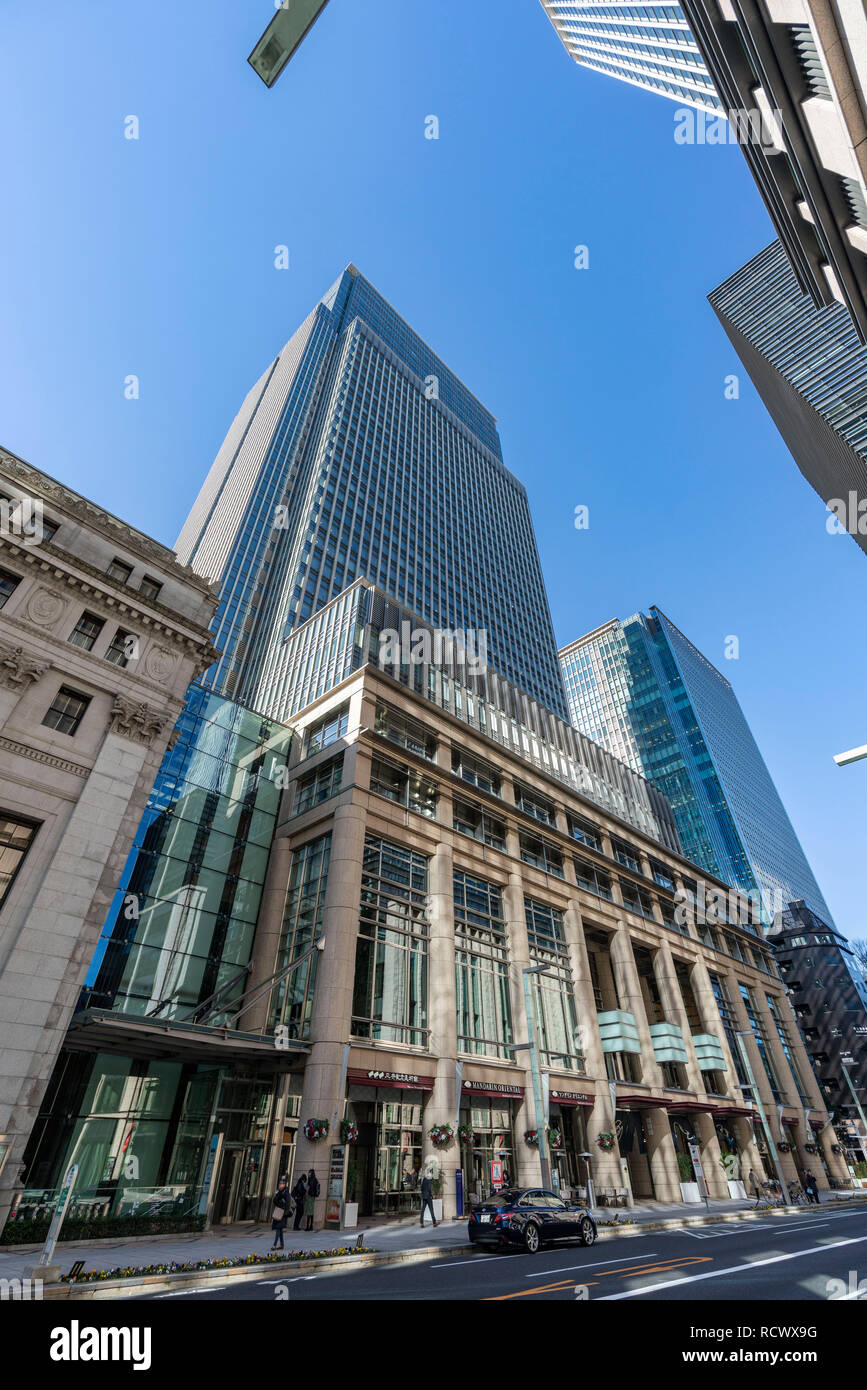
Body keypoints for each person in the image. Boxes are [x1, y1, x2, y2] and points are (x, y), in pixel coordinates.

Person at [270, 1176, 291, 1250]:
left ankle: (274, 1245)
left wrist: (285, 1212)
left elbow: (288, 1204)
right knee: (280, 1229)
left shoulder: (286, 1193)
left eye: (281, 1184)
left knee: (278, 1228)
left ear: (284, 1185)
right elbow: (275, 1200)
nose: (280, 1185)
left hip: (283, 1214)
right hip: (278, 1212)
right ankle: (282, 1245)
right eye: (279, 1184)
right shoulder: (279, 1192)